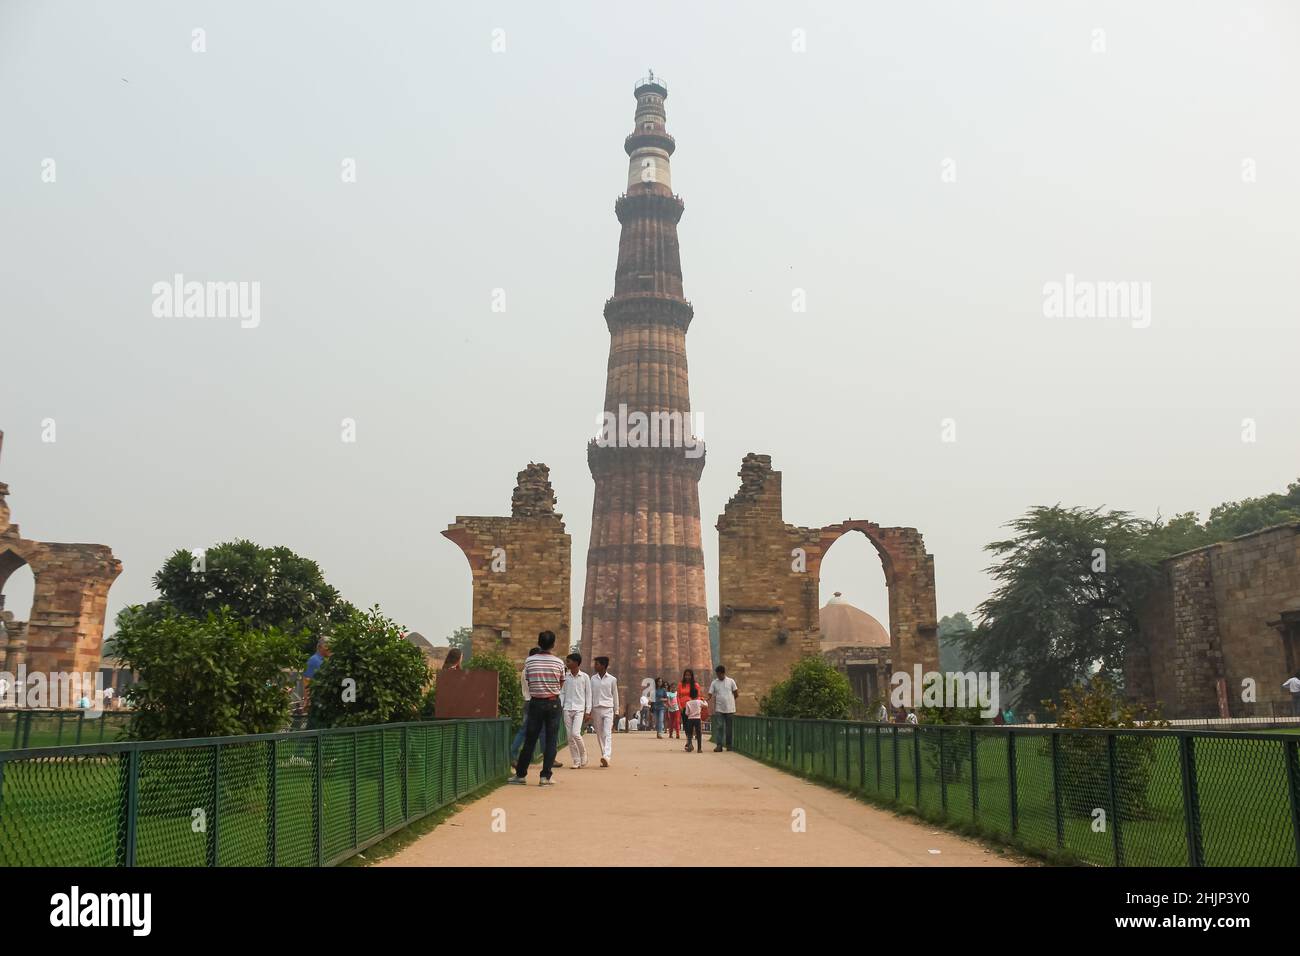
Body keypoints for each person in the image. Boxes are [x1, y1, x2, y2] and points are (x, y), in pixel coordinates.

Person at [509, 631, 566, 786]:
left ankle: (520, 775)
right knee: (551, 740)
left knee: (530, 740)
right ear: (553, 644)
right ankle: (545, 777)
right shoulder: (559, 663)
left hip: (535, 703)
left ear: (539, 642)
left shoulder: (530, 661)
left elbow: (529, 679)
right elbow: (561, 682)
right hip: (553, 702)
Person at [561, 652, 591, 769]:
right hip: (567, 708)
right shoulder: (565, 677)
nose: (567, 663)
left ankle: (583, 754)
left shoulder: (584, 677)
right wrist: (561, 705)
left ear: (576, 663)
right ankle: (576, 760)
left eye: (569, 661)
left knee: (575, 733)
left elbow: (588, 695)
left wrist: (588, 711)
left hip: (579, 709)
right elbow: (562, 693)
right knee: (569, 736)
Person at [589, 656, 619, 767]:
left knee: (607, 732)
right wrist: (589, 710)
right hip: (596, 708)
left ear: (603, 666)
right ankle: (604, 756)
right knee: (599, 734)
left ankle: (607, 756)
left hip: (608, 708)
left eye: (596, 664)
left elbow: (615, 695)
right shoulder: (593, 679)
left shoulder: (612, 679)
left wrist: (616, 710)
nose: (595, 666)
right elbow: (590, 695)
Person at [708, 665, 738, 752]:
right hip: (719, 708)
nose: (718, 676)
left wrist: (730, 700)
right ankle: (719, 745)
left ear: (723, 673)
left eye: (719, 674)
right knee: (719, 727)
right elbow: (710, 693)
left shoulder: (731, 681)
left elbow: (736, 693)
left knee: (729, 728)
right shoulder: (714, 682)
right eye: (717, 674)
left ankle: (729, 745)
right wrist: (706, 699)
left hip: (730, 709)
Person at [677, 669, 704, 752]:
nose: (687, 677)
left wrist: (699, 705)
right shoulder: (681, 684)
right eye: (686, 675)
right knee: (686, 725)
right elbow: (678, 696)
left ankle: (690, 742)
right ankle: (689, 742)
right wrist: (679, 706)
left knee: (692, 726)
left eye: (689, 675)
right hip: (683, 707)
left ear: (691, 676)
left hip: (692, 708)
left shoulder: (695, 685)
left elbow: (698, 696)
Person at [682, 686, 705, 753]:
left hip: (690, 719)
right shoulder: (699, 702)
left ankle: (689, 746)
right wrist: (704, 700)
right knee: (698, 733)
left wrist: (690, 714)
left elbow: (686, 713)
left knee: (689, 733)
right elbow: (706, 705)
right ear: (697, 694)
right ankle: (699, 749)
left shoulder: (688, 703)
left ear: (690, 696)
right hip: (697, 719)